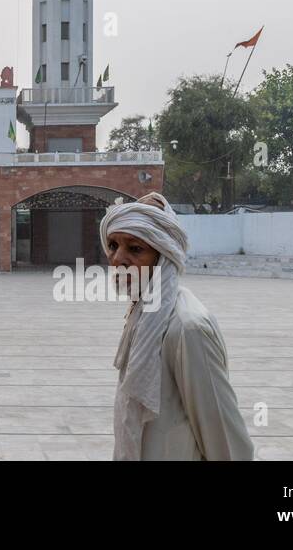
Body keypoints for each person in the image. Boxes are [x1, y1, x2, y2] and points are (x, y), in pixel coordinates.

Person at [101, 192, 255, 461]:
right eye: (113, 245)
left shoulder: (187, 328)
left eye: (135, 249)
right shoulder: (143, 313)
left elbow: (226, 439)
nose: (117, 259)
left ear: (163, 257)